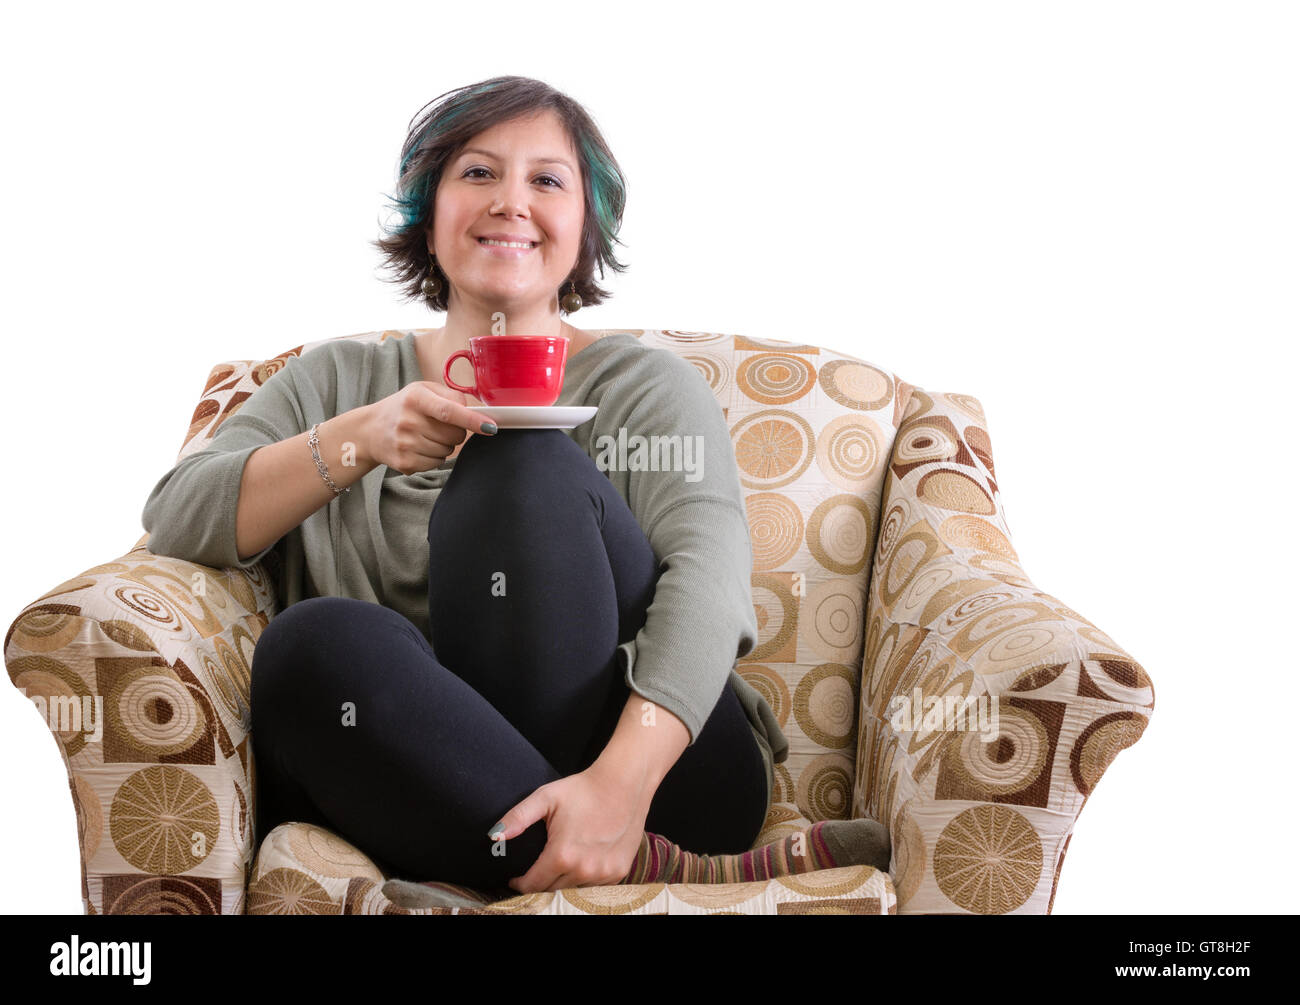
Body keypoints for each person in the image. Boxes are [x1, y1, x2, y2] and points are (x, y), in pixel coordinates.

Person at [141, 75, 889, 904]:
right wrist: (360, 439)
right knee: (309, 646)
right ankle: (618, 869)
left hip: (664, 777)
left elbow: (709, 584)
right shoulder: (339, 383)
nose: (510, 202)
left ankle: (504, 863)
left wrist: (616, 789)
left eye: (546, 180)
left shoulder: (647, 388)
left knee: (522, 455)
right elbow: (178, 515)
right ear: (428, 216)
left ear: (584, 228)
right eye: (477, 173)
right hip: (422, 766)